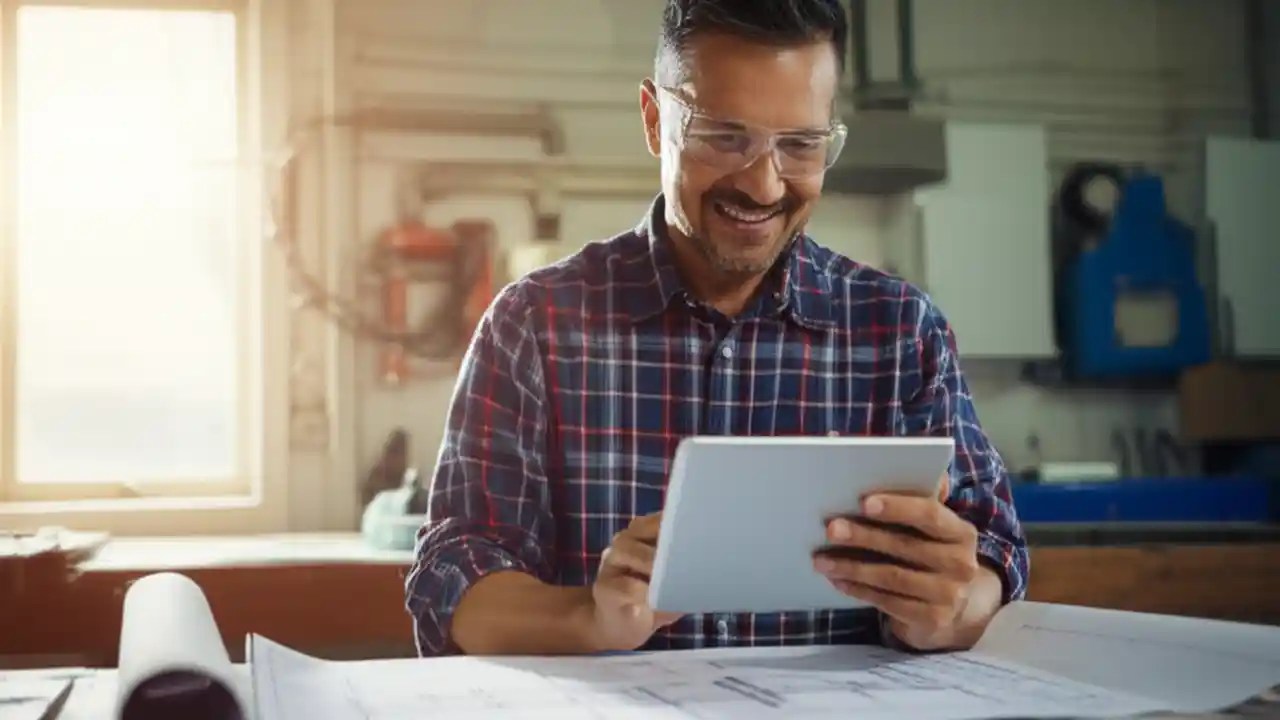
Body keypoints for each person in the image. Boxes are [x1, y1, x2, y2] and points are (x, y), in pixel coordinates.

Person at [405, 0, 1028, 657]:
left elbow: (995, 554)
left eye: (801, 144)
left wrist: (958, 604)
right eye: (725, 137)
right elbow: (453, 578)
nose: (762, 184)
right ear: (654, 119)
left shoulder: (902, 332)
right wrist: (587, 616)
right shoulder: (533, 325)